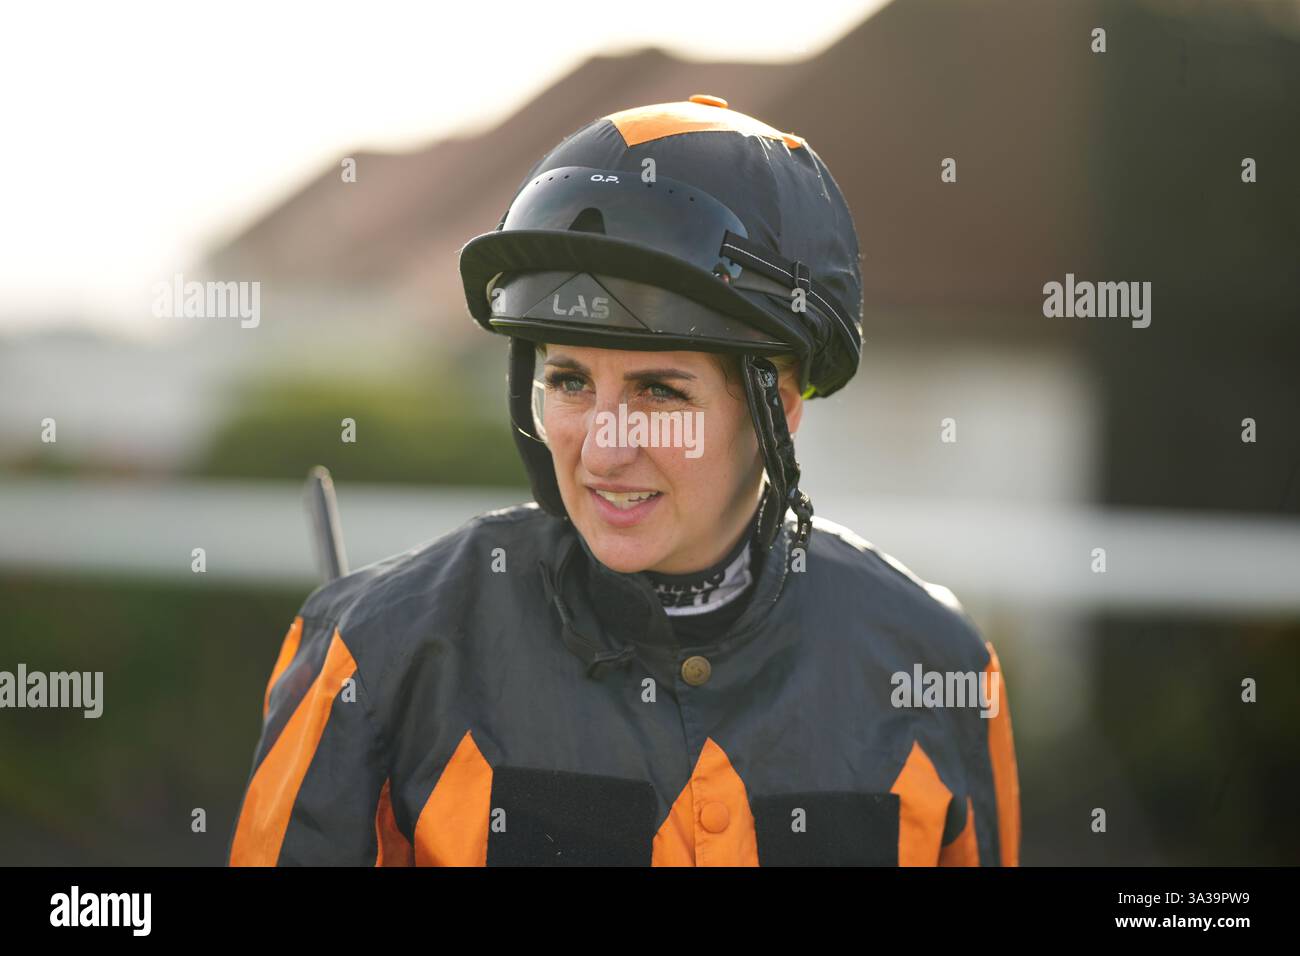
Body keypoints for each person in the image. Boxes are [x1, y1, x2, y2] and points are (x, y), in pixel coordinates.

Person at [227, 94, 1020, 866]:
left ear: (775, 409)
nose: (603, 451)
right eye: (570, 381)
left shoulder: (940, 668)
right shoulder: (376, 654)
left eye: (659, 391)